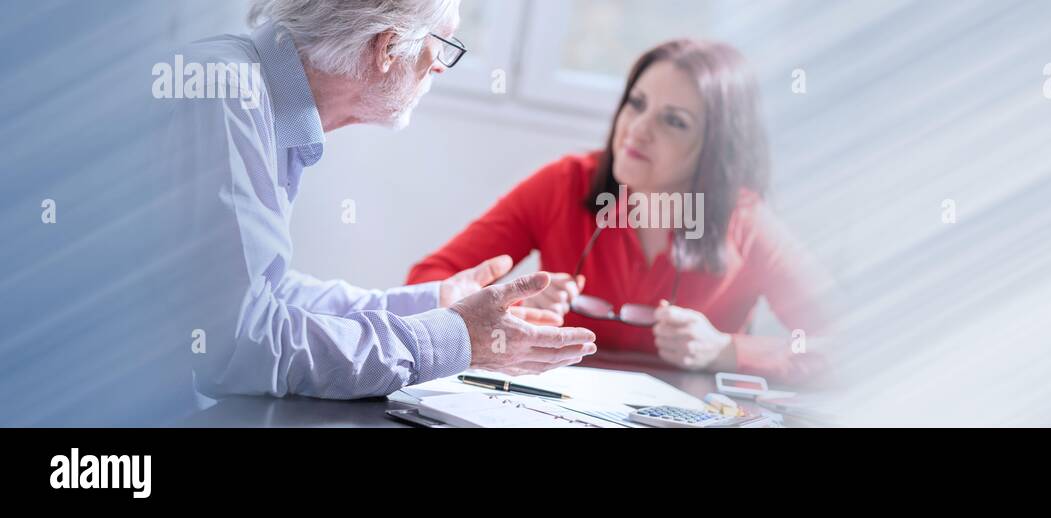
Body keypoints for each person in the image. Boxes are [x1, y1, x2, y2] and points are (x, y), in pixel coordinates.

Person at [167, 0, 596, 399]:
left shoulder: (253, 93)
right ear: (387, 48)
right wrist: (456, 338)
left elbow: (265, 293)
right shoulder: (225, 98)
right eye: (443, 44)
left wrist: (436, 304)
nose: (441, 68)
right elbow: (241, 345)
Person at [408, 39, 831, 381]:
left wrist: (727, 350)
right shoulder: (563, 184)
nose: (638, 129)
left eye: (674, 121)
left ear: (717, 147)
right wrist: (509, 310)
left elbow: (850, 348)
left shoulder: (747, 222)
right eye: (637, 103)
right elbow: (425, 286)